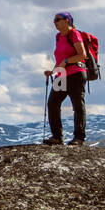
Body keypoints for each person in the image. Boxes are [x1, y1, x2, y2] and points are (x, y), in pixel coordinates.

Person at [42, 11, 87, 145]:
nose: (54, 22)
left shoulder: (74, 34)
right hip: (61, 74)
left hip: (76, 73)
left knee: (77, 105)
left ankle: (79, 138)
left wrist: (67, 61)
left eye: (57, 19)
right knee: (53, 103)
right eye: (54, 20)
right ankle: (57, 137)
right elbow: (60, 59)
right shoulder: (58, 37)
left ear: (67, 20)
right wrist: (53, 71)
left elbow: (82, 55)